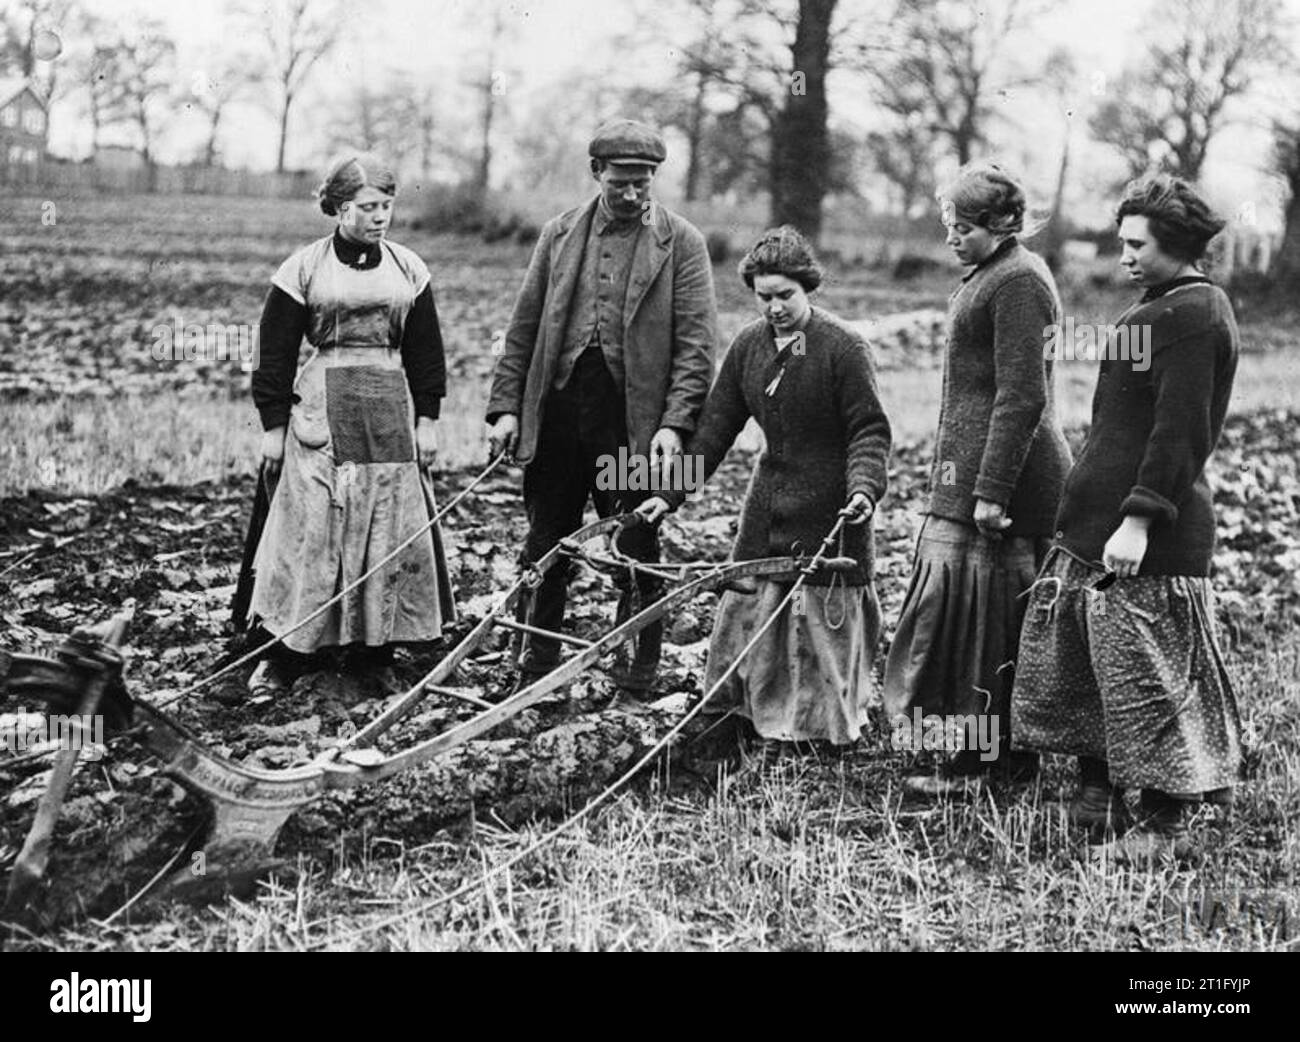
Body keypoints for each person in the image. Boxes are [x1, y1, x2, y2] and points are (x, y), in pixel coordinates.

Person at [1012, 175, 1241, 860]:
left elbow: (1180, 432)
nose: (1126, 255)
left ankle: (1165, 824)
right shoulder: (1160, 305)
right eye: (1124, 241)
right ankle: (1098, 793)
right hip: (1095, 522)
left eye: (1139, 243)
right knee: (1090, 668)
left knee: (1150, 678)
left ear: (1178, 242)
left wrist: (1140, 518)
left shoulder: (1195, 313)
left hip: (1148, 534)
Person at [485, 119, 716, 695]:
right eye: (621, 184)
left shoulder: (682, 243)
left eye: (645, 183)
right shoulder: (558, 235)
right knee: (547, 541)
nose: (635, 195)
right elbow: (524, 327)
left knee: (635, 541)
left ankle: (638, 672)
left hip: (631, 427)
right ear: (596, 174)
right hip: (559, 416)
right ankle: (534, 667)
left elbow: (696, 346)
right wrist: (505, 408)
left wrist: (675, 425)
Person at [637, 227, 891, 749]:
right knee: (751, 606)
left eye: (785, 296)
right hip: (767, 504)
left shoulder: (843, 348)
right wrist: (668, 493)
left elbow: (869, 429)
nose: (774, 307)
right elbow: (714, 430)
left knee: (821, 622)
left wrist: (863, 489)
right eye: (764, 296)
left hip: (831, 508)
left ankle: (817, 730)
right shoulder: (749, 346)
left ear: (808, 289)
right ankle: (746, 714)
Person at [883, 162, 1072, 793]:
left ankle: (993, 765)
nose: (951, 239)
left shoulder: (1020, 282)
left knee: (991, 630)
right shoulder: (993, 274)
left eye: (963, 227)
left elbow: (1022, 397)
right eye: (948, 225)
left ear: (1003, 224)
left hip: (1006, 487)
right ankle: (976, 756)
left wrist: (991, 491)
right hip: (966, 481)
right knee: (961, 624)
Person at [243, 153, 456, 696]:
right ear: (339, 208)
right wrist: (273, 426)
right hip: (318, 407)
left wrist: (427, 420)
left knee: (383, 527)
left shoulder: (409, 267)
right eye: (367, 207)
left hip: (386, 404)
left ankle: (373, 651)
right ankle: (287, 653)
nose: (379, 216)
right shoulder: (304, 268)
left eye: (386, 205)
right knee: (314, 527)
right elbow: (274, 353)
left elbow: (426, 353)